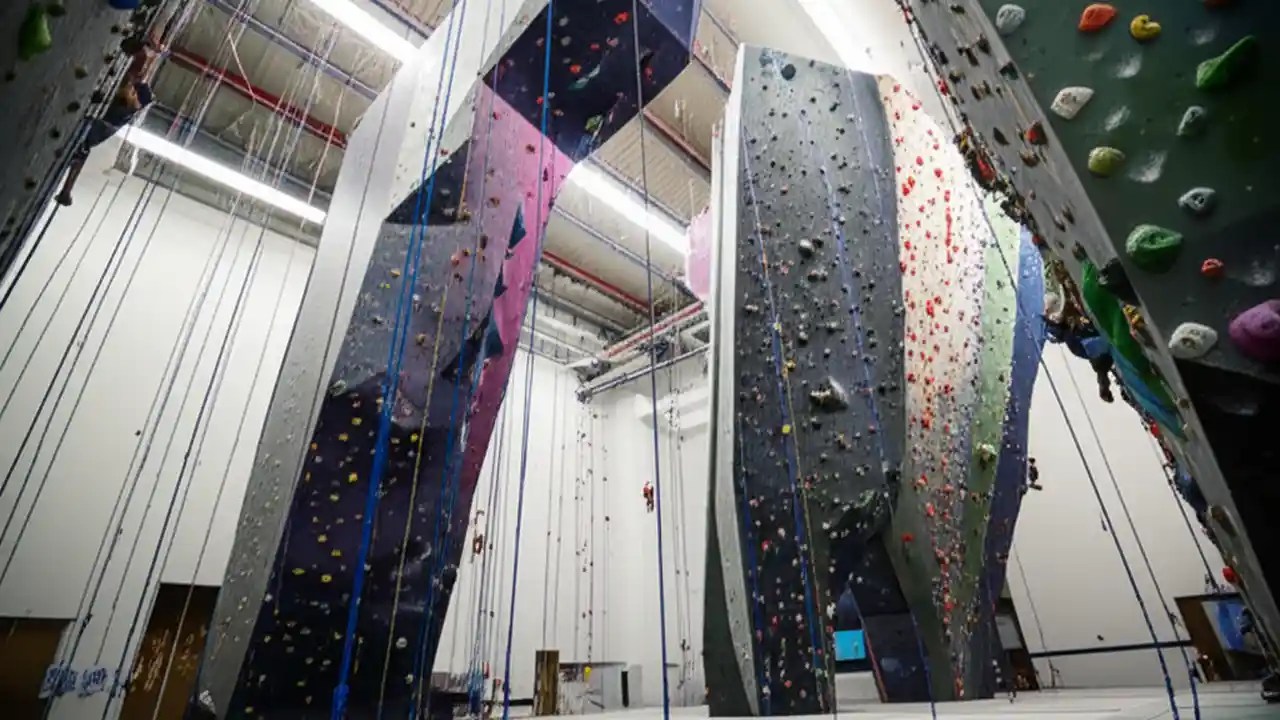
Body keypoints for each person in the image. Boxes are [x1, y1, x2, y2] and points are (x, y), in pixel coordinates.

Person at [55, 40, 157, 207]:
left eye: (133, 91)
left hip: (92, 131)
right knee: (82, 149)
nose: (130, 86)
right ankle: (66, 191)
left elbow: (136, 80)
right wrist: (148, 57)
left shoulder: (123, 110)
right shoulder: (127, 104)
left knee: (82, 148)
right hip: (92, 131)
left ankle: (66, 191)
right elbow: (139, 77)